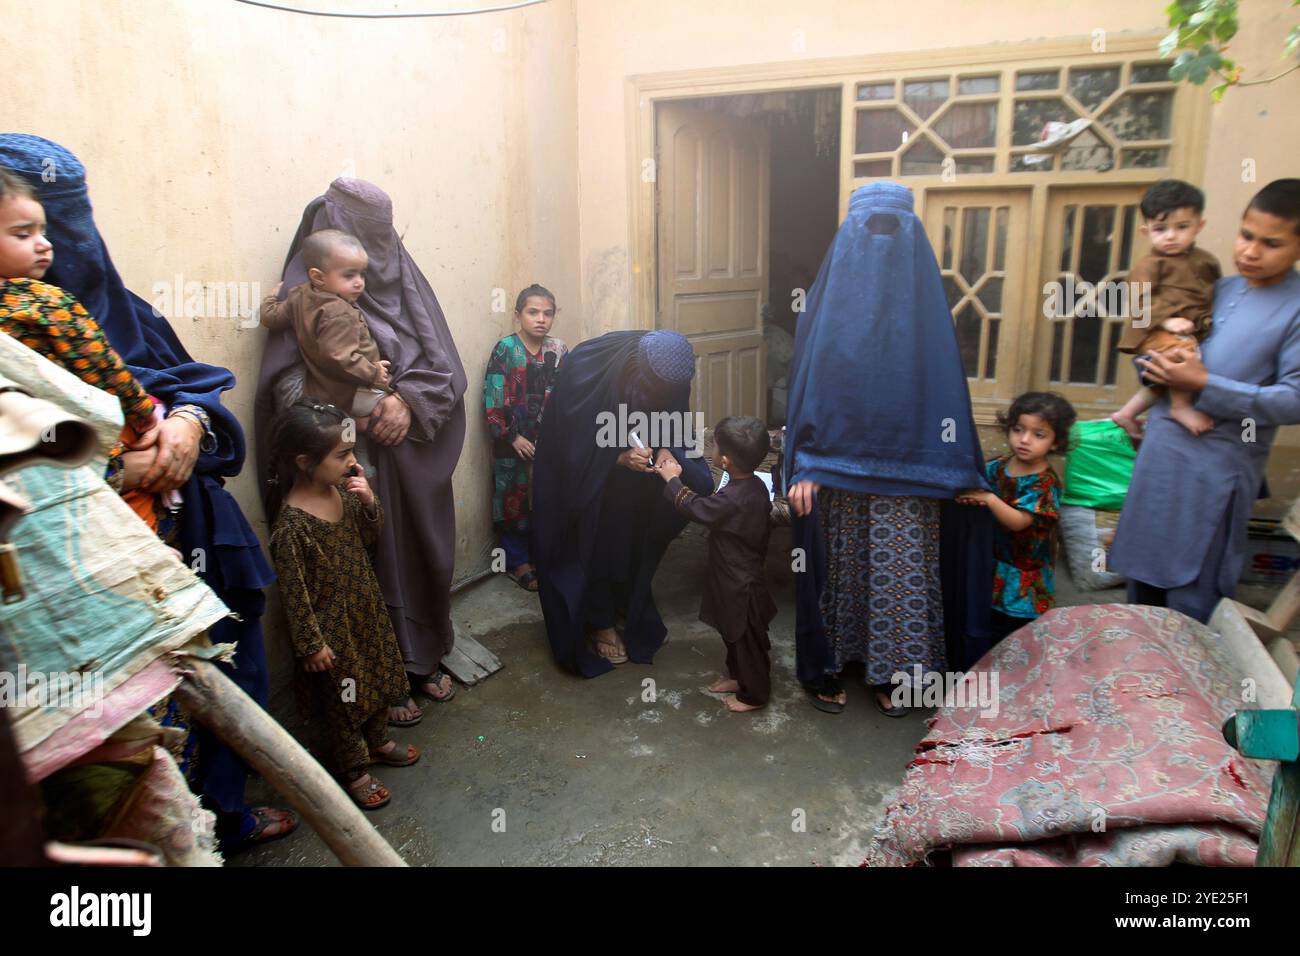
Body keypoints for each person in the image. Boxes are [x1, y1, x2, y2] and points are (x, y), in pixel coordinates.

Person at [0, 134, 290, 852]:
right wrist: (115, 473)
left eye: (66, 226)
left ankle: (228, 816)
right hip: (72, 603)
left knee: (219, 692)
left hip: (190, 547)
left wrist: (187, 424)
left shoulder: (107, 312)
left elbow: (192, 383)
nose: (57, 250)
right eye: (28, 231)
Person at [256, 178, 467, 727]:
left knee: (419, 553)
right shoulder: (311, 298)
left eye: (383, 239)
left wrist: (408, 403)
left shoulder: (402, 283)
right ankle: (380, 689)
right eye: (360, 248)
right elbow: (286, 388)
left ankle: (421, 655)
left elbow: (445, 365)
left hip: (409, 452)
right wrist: (356, 411)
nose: (372, 262)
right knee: (359, 577)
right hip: (348, 463)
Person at [784, 180, 993, 717]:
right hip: (835, 472)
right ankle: (836, 662)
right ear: (851, 233)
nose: (881, 240)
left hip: (912, 476)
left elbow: (944, 390)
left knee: (899, 573)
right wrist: (805, 462)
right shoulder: (823, 308)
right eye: (870, 227)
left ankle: (898, 673)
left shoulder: (927, 311)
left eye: (892, 228)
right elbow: (808, 388)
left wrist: (957, 466)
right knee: (842, 570)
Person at [1111, 179, 1300, 623]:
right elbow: (1155, 347)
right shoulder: (1221, 286)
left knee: (1193, 598)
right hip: (1161, 454)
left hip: (1216, 469)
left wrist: (1203, 383)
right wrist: (1155, 367)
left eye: (1270, 243)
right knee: (1141, 588)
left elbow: (1294, 400)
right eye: (1246, 235)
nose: (1251, 251)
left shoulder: (1295, 307)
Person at [531, 328, 713, 676]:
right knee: (596, 533)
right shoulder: (587, 365)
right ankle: (598, 617)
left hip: (638, 471)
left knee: (688, 489)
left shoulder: (674, 373)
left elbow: (673, 420)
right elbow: (567, 444)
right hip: (585, 476)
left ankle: (628, 596)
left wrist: (664, 449)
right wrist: (616, 458)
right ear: (636, 369)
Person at [267, 401, 416, 810]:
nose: (352, 462)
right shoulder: (292, 526)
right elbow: (294, 594)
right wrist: (311, 645)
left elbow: (372, 535)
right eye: (342, 455)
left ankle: (379, 740)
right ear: (304, 461)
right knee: (344, 699)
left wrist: (369, 501)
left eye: (352, 451)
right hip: (332, 632)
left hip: (365, 609)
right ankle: (354, 769)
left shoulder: (342, 493)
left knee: (378, 673)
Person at [0, 167, 161, 503]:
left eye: (44, 231)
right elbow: (103, 367)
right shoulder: (46, 302)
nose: (45, 245)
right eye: (22, 234)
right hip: (84, 460)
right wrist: (146, 414)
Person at [658, 415, 776, 712]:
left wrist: (672, 479)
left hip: (741, 584)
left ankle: (755, 695)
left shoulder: (732, 499)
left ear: (724, 460)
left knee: (746, 638)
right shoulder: (754, 486)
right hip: (732, 576)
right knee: (732, 632)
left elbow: (698, 508)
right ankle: (739, 677)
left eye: (714, 447)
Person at [958, 392, 1074, 645]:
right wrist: (971, 497)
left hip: (1024, 578)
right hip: (996, 563)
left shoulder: (1045, 483)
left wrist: (988, 499)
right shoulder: (999, 466)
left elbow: (1019, 521)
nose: (1024, 439)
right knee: (987, 627)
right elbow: (977, 488)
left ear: (1056, 442)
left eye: (1038, 434)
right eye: (1018, 429)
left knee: (1015, 637)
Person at [1112, 179, 1222, 438]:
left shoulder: (1206, 261)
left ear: (1199, 226)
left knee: (1165, 376)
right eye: (1160, 229)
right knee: (1183, 357)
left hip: (1190, 330)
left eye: (1181, 227)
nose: (1171, 236)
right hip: (1153, 329)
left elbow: (1215, 293)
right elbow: (1138, 300)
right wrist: (1167, 321)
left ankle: (1126, 414)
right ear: (1146, 231)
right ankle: (1180, 407)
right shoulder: (1150, 264)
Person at [483, 284, 567, 592]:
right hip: (513, 443)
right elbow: (493, 397)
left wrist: (557, 438)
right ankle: (517, 562)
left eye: (547, 313)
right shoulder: (505, 349)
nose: (540, 319)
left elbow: (566, 396)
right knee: (513, 501)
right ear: (518, 315)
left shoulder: (558, 350)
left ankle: (542, 555)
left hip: (548, 442)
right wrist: (512, 436)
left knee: (545, 499)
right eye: (533, 312)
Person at [259, 229, 392, 423]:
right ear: (318, 277)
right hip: (355, 390)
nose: (359, 283)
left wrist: (271, 297)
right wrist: (374, 373)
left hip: (326, 390)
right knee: (398, 408)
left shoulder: (299, 296)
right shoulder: (339, 312)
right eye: (349, 276)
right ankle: (360, 428)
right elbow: (340, 357)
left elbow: (271, 317)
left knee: (348, 441)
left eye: (361, 275)